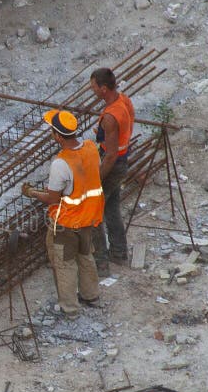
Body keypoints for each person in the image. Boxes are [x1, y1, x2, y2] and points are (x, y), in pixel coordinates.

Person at [21, 110, 104, 319]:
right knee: (86, 257)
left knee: (65, 265)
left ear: (58, 136)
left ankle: (70, 308)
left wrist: (31, 192)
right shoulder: (91, 148)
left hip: (66, 224)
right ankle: (91, 296)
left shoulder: (60, 164)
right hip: (88, 218)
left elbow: (52, 199)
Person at [89, 67, 135, 277]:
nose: (93, 91)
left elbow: (110, 156)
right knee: (112, 206)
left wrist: (96, 181)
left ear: (104, 88)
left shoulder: (109, 117)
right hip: (122, 159)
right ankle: (119, 252)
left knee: (94, 212)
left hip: (113, 164)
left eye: (94, 87)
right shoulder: (123, 100)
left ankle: (101, 265)